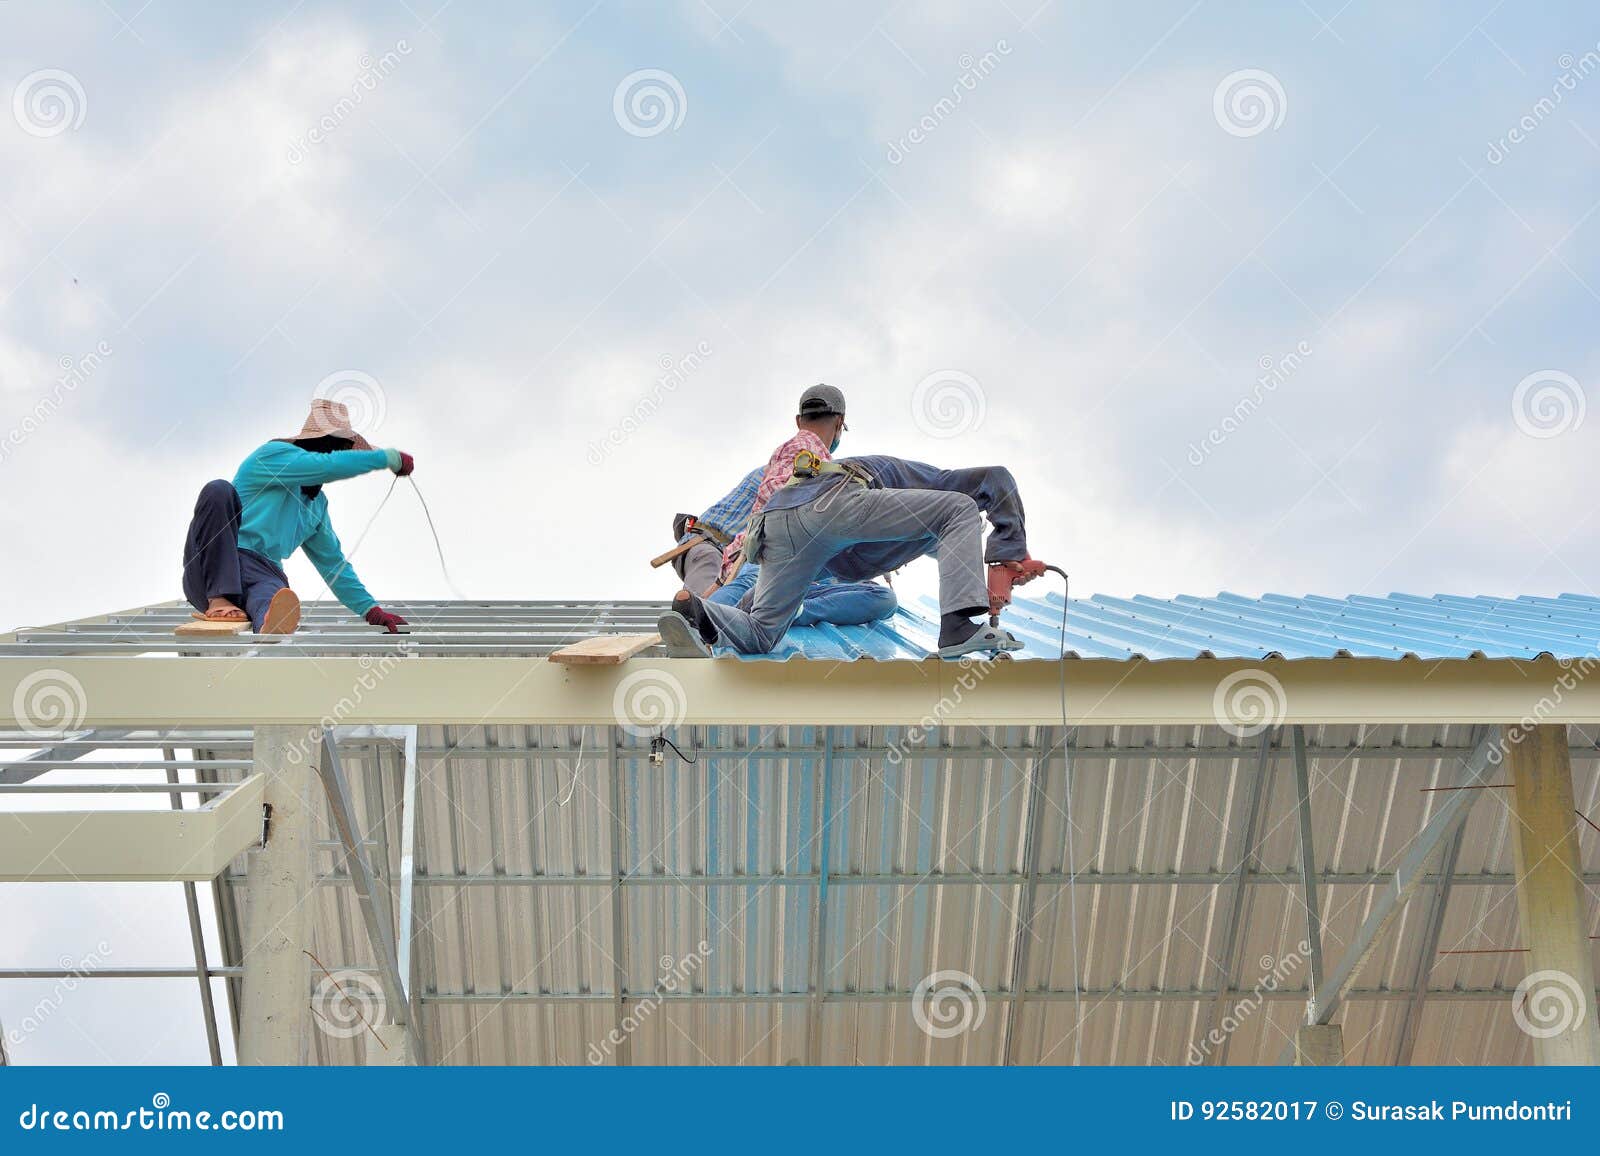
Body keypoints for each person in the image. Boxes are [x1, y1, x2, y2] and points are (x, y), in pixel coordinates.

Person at [657, 385, 1024, 659]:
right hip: (831, 504)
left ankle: (701, 614)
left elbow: (938, 539)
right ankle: (957, 628)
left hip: (778, 530)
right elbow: (995, 479)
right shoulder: (898, 471)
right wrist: (1009, 552)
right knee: (960, 508)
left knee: (763, 632)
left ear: (801, 419)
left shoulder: (780, 463)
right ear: (840, 424)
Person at [181, 399, 413, 634]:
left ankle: (268, 625)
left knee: (273, 599)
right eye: (331, 446)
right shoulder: (273, 455)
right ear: (312, 444)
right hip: (215, 562)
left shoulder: (316, 506)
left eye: (341, 449)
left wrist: (371, 610)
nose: (335, 454)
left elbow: (333, 564)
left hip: (264, 571)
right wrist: (388, 458)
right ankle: (219, 599)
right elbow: (327, 466)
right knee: (218, 489)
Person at [669, 463, 898, 628]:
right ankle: (697, 625)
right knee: (744, 583)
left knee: (885, 599)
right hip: (750, 557)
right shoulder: (798, 478)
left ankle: (790, 612)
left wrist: (879, 557)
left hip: (802, 587)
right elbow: (767, 518)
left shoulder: (852, 530)